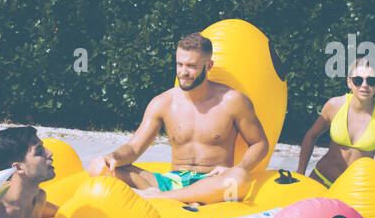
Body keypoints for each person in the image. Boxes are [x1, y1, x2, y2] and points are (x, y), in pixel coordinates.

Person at [86, 33, 270, 205]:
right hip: (171, 181)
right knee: (97, 166)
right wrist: (113, 157)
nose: (183, 72)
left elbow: (260, 143)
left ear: (209, 66)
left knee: (238, 178)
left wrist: (238, 167)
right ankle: (171, 197)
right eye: (179, 64)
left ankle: (159, 199)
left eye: (191, 66)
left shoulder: (232, 101)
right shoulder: (163, 103)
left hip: (212, 180)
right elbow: (134, 148)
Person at [298, 58, 375, 201]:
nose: (364, 86)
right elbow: (311, 136)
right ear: (349, 82)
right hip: (321, 180)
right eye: (358, 80)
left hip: (355, 190)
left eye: (371, 81)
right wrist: (300, 175)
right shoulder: (334, 105)